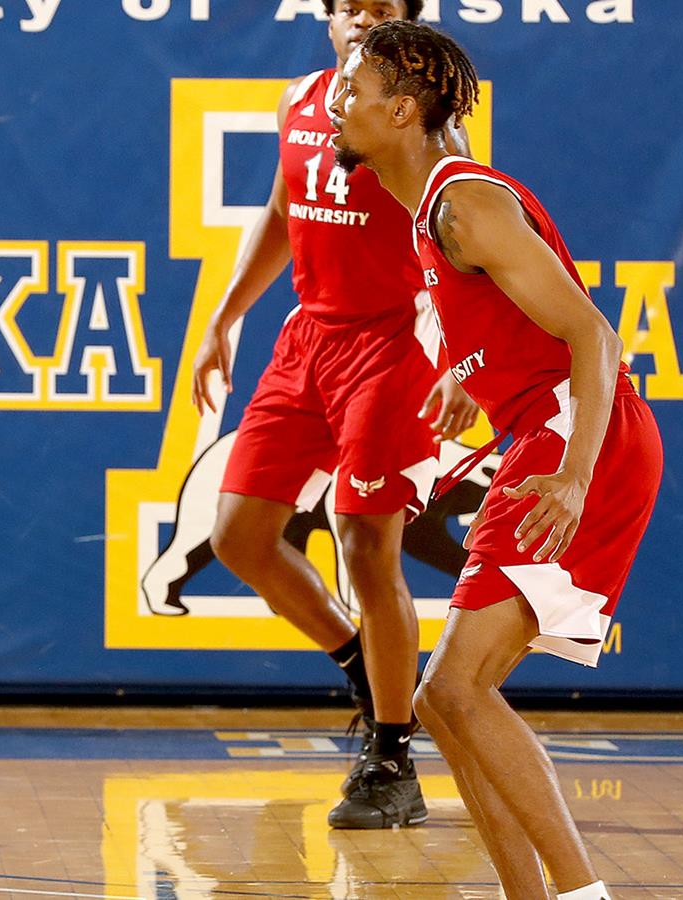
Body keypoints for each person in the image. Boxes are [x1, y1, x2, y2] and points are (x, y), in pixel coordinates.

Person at [328, 21, 663, 899]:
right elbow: (523, 326)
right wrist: (475, 382)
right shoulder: (436, 202)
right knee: (444, 700)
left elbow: (593, 332)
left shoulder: (462, 204)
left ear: (401, 110)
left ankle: (582, 894)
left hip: (578, 439)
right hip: (551, 429)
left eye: (352, 88)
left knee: (460, 687)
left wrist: (574, 471)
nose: (335, 100)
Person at [189, 0, 478, 829]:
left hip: (392, 348)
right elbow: (283, 216)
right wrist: (225, 316)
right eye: (348, 7)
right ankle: (360, 662)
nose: (360, 20)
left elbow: (464, 252)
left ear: (406, 34)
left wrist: (461, 360)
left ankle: (393, 755)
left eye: (379, 10)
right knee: (238, 537)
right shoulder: (299, 100)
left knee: (364, 544)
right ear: (328, 20)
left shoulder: (427, 136)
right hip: (307, 337)